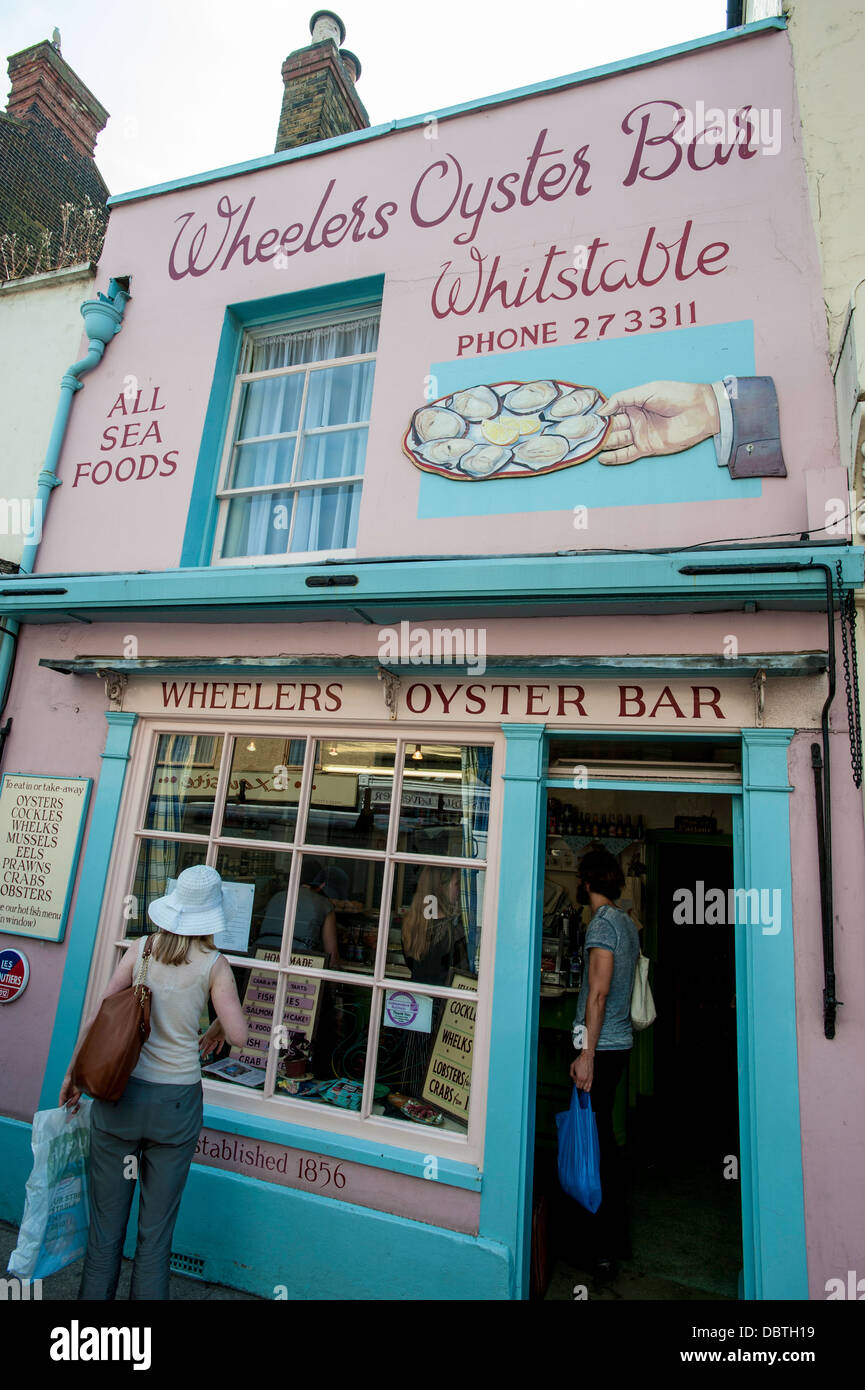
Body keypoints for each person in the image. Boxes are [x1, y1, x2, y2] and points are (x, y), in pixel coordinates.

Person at [59, 864, 247, 1300]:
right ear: (212, 916)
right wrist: (216, 1026)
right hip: (175, 1107)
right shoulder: (216, 965)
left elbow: (98, 1016)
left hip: (119, 1098)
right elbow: (238, 1035)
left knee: (105, 1232)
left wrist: (73, 1076)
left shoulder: (141, 950)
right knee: (155, 1237)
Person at [569, 846, 640, 1280]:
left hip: (603, 1048)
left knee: (592, 1150)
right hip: (618, 1043)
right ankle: (613, 1239)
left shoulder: (602, 925)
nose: (578, 884)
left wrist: (586, 1056)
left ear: (589, 881)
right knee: (602, 1145)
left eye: (580, 877)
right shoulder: (627, 922)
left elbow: (598, 993)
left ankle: (599, 1248)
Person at [256, 857, 340, 965]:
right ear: (321, 884)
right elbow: (332, 956)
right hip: (299, 966)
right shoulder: (325, 904)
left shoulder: (276, 897)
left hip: (262, 960)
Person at [401, 865, 468, 985]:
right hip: (443, 998)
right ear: (442, 888)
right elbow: (463, 974)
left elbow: (411, 964)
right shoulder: (453, 928)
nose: (460, 890)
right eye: (457, 884)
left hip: (416, 998)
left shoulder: (411, 923)